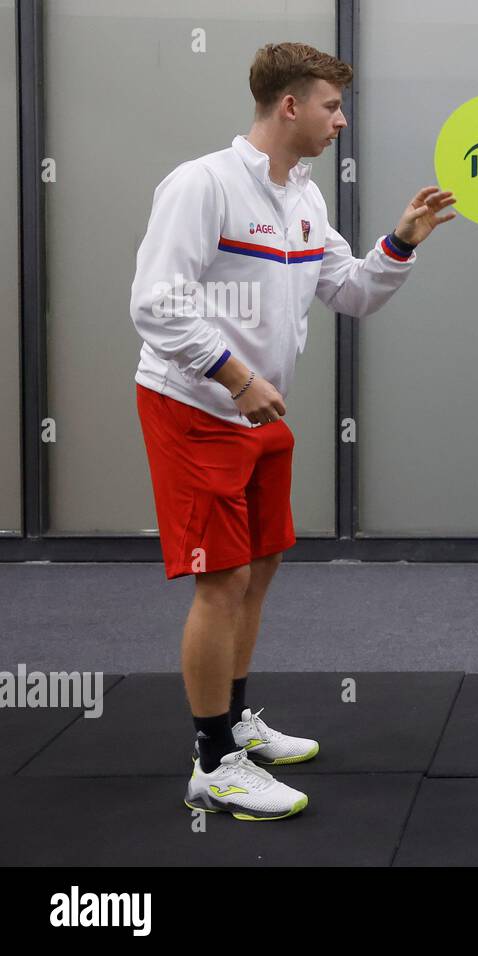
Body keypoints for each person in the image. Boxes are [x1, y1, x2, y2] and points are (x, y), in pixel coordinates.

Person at [130, 42, 457, 820]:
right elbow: (156, 302)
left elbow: (347, 291)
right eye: (331, 106)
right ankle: (212, 764)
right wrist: (235, 377)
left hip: (259, 412)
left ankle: (234, 721)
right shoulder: (202, 184)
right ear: (289, 107)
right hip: (197, 407)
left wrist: (403, 239)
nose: (340, 121)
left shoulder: (304, 198)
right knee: (223, 580)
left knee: (263, 563)